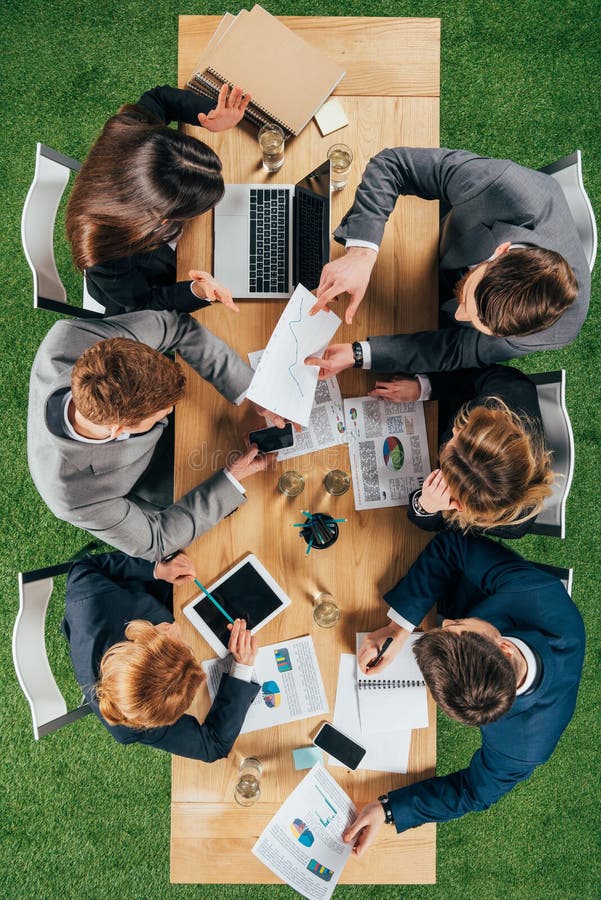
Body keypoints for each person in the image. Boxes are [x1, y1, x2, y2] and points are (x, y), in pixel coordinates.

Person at [343, 532, 584, 856]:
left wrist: (388, 810)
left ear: (504, 647)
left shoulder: (523, 748)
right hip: (471, 585)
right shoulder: (536, 592)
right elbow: (454, 545)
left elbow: (473, 792)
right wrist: (399, 627)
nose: (449, 621)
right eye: (454, 627)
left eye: (454, 626)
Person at [306, 147, 589, 374]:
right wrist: (361, 254)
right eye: (468, 301)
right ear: (501, 252)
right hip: (443, 241)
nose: (457, 316)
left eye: (476, 322)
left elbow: (460, 350)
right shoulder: (502, 186)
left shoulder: (548, 331)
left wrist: (360, 354)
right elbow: (393, 165)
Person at [27, 309, 282, 561]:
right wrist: (232, 477)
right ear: (119, 428)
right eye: (163, 412)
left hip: (182, 416)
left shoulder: (71, 338)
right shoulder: (71, 495)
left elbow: (178, 326)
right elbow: (157, 541)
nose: (170, 411)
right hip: (151, 477)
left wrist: (250, 390)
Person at [66, 84, 250, 316]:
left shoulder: (132, 131)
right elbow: (143, 305)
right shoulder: (104, 255)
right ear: (163, 218)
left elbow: (160, 98)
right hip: (146, 284)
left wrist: (209, 115)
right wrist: (198, 290)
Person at [63, 550, 260, 759]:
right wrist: (242, 668)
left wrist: (155, 570)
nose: (182, 638)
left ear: (140, 636)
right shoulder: (137, 721)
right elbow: (212, 746)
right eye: (188, 649)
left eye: (181, 646)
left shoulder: (87, 595)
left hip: (137, 589)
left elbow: (84, 565)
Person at [369, 364, 554, 537]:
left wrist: (427, 507)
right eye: (463, 429)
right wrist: (424, 387)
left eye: (454, 440)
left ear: (459, 505)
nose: (455, 429)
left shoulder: (509, 522)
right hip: (437, 404)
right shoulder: (510, 388)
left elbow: (445, 525)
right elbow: (468, 375)